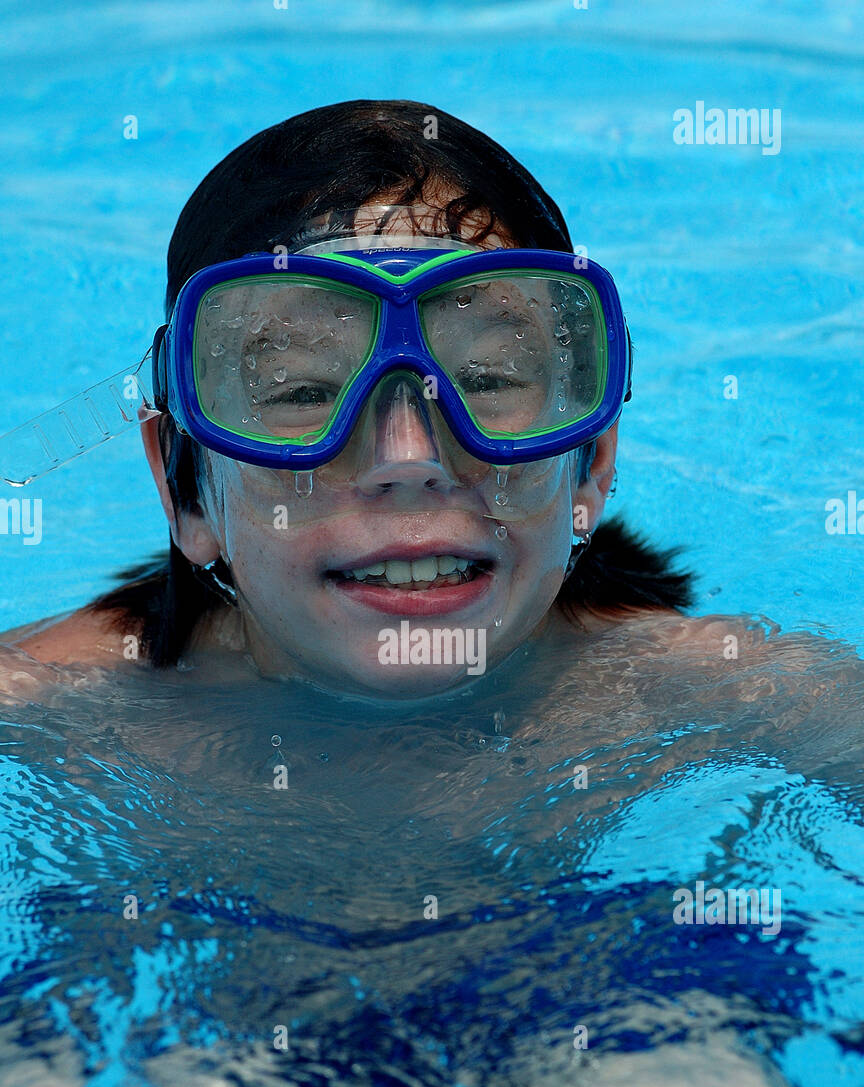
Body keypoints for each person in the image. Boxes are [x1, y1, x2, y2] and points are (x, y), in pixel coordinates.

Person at [0, 99, 694, 701]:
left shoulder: (719, 703)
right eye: (304, 391)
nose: (409, 459)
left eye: (485, 380)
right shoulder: (48, 707)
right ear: (182, 489)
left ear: (595, 463)